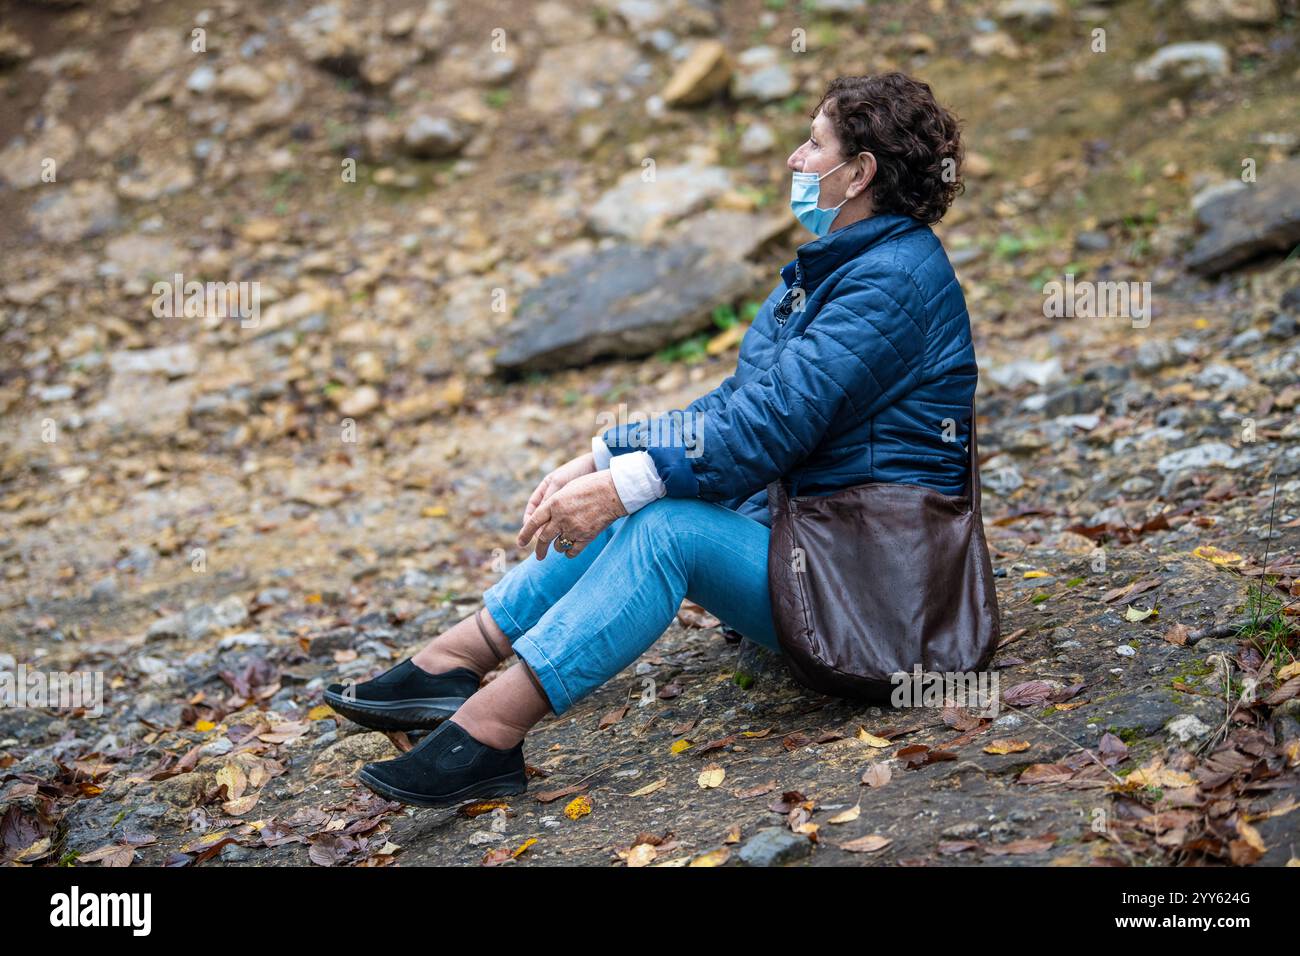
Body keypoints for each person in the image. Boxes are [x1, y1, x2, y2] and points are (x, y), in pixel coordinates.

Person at [326, 72, 979, 808]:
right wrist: (606, 456)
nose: (796, 159)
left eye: (814, 143)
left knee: (663, 523)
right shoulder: (839, 268)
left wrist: (623, 483)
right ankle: (451, 662)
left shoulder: (889, 283)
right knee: (643, 492)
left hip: (881, 604)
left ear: (858, 172)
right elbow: (739, 402)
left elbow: (766, 429)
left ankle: (486, 736)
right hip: (825, 557)